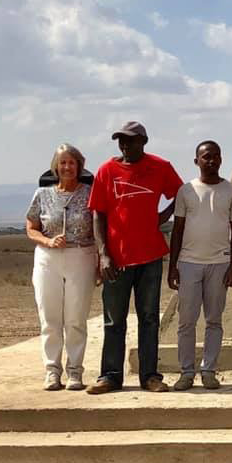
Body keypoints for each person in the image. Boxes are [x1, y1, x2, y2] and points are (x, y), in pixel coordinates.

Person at [86, 121, 183, 394]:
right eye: (121, 141)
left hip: (150, 256)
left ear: (144, 141)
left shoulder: (160, 167)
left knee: (149, 318)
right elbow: (98, 213)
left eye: (130, 141)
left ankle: (150, 376)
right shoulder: (107, 170)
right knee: (114, 319)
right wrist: (103, 254)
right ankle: (110, 376)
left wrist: (162, 217)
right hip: (116, 259)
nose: (125, 146)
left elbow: (181, 194)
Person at [167, 141, 232, 391]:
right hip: (189, 264)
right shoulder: (186, 190)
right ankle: (186, 372)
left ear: (221, 159)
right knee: (186, 321)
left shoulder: (231, 191)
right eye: (206, 157)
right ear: (196, 161)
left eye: (216, 156)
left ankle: (209, 370)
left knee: (214, 321)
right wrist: (173, 266)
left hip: (219, 264)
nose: (211, 161)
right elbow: (177, 229)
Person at [25, 144, 96, 391]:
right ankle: (52, 371)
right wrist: (47, 240)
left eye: (72, 163)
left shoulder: (90, 193)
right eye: (62, 162)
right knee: (49, 316)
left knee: (76, 317)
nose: (67, 167)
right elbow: (31, 226)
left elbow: (99, 228)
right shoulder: (42, 194)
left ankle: (75, 370)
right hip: (48, 258)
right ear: (56, 166)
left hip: (81, 256)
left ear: (79, 166)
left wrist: (99, 262)